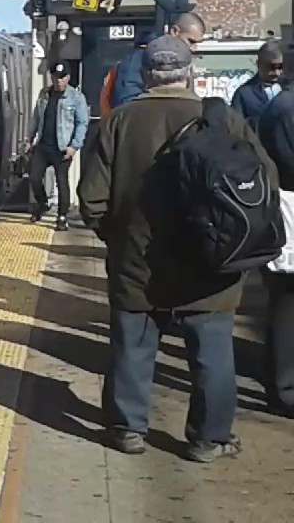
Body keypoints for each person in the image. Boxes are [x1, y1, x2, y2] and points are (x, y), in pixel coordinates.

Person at [79, 35, 277, 462]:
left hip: (138, 261)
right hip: (212, 260)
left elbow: (92, 201)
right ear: (190, 72)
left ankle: (128, 429)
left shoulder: (117, 122)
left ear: (146, 74)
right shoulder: (223, 121)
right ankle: (209, 438)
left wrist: (117, 238)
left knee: (132, 347)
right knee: (212, 354)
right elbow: (266, 183)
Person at [254, 84, 294, 417]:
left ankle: (279, 382)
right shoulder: (287, 108)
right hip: (289, 208)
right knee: (286, 301)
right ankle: (284, 389)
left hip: (282, 207)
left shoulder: (279, 105)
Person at [28, 61, 89, 231]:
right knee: (34, 177)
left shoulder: (76, 97)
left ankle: (62, 216)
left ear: (68, 78)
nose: (58, 81)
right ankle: (42, 204)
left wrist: (75, 146)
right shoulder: (44, 94)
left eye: (62, 78)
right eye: (55, 77)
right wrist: (30, 139)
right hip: (43, 145)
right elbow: (36, 118)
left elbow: (82, 123)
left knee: (62, 181)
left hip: (63, 147)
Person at [109, 13, 208, 108]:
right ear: (174, 31)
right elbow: (127, 101)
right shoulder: (141, 57)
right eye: (191, 41)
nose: (193, 48)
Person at [230, 40, 287, 128]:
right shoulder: (244, 94)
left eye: (280, 67)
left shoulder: (290, 89)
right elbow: (236, 128)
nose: (277, 73)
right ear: (259, 64)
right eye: (271, 67)